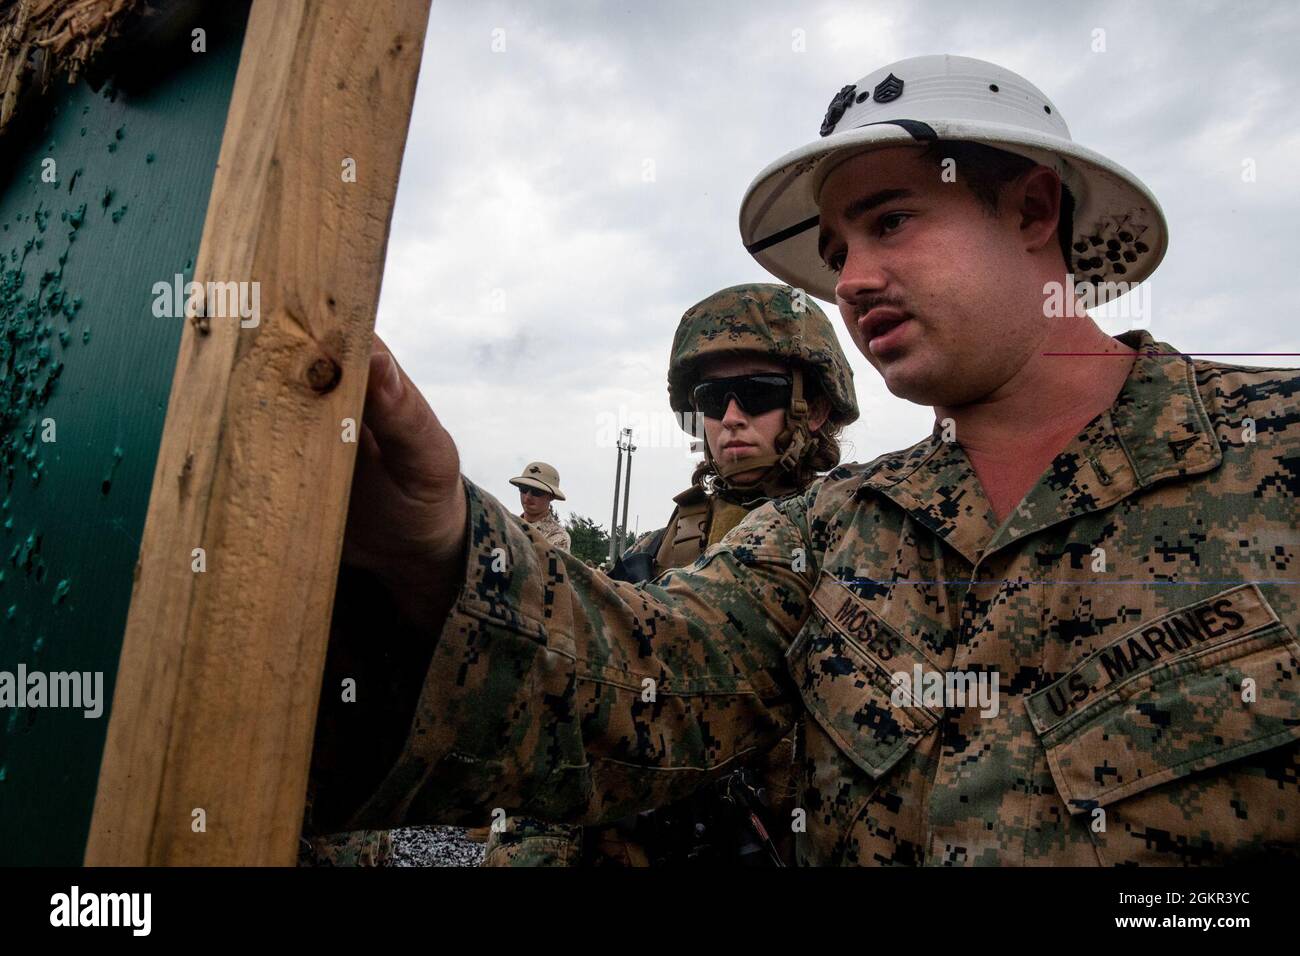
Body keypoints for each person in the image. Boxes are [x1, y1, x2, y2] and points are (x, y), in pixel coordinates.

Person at [311, 55, 1300, 865]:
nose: (852, 280)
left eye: (889, 221)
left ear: (1034, 210)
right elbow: (636, 684)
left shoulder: (1275, 456)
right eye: (835, 251)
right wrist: (437, 547)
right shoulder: (831, 530)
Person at [483, 283, 859, 866]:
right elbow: (573, 692)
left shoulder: (857, 544)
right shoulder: (656, 553)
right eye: (714, 399)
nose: (731, 418)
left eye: (757, 394)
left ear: (819, 410)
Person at [510, 461, 571, 551]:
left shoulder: (558, 536)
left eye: (536, 492)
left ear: (551, 496)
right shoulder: (508, 523)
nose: (527, 497)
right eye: (524, 489)